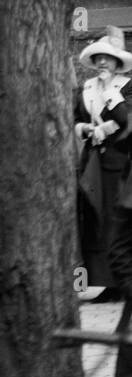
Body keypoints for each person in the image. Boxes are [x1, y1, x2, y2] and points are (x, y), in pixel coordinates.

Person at [74, 26, 132, 302]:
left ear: (118, 62)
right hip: (92, 160)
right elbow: (75, 118)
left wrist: (110, 90)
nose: (102, 63)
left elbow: (125, 120)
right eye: (98, 57)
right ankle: (104, 281)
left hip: (119, 163)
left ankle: (122, 282)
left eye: (107, 58)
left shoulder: (127, 87)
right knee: (93, 219)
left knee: (115, 219)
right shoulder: (85, 89)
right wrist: (86, 129)